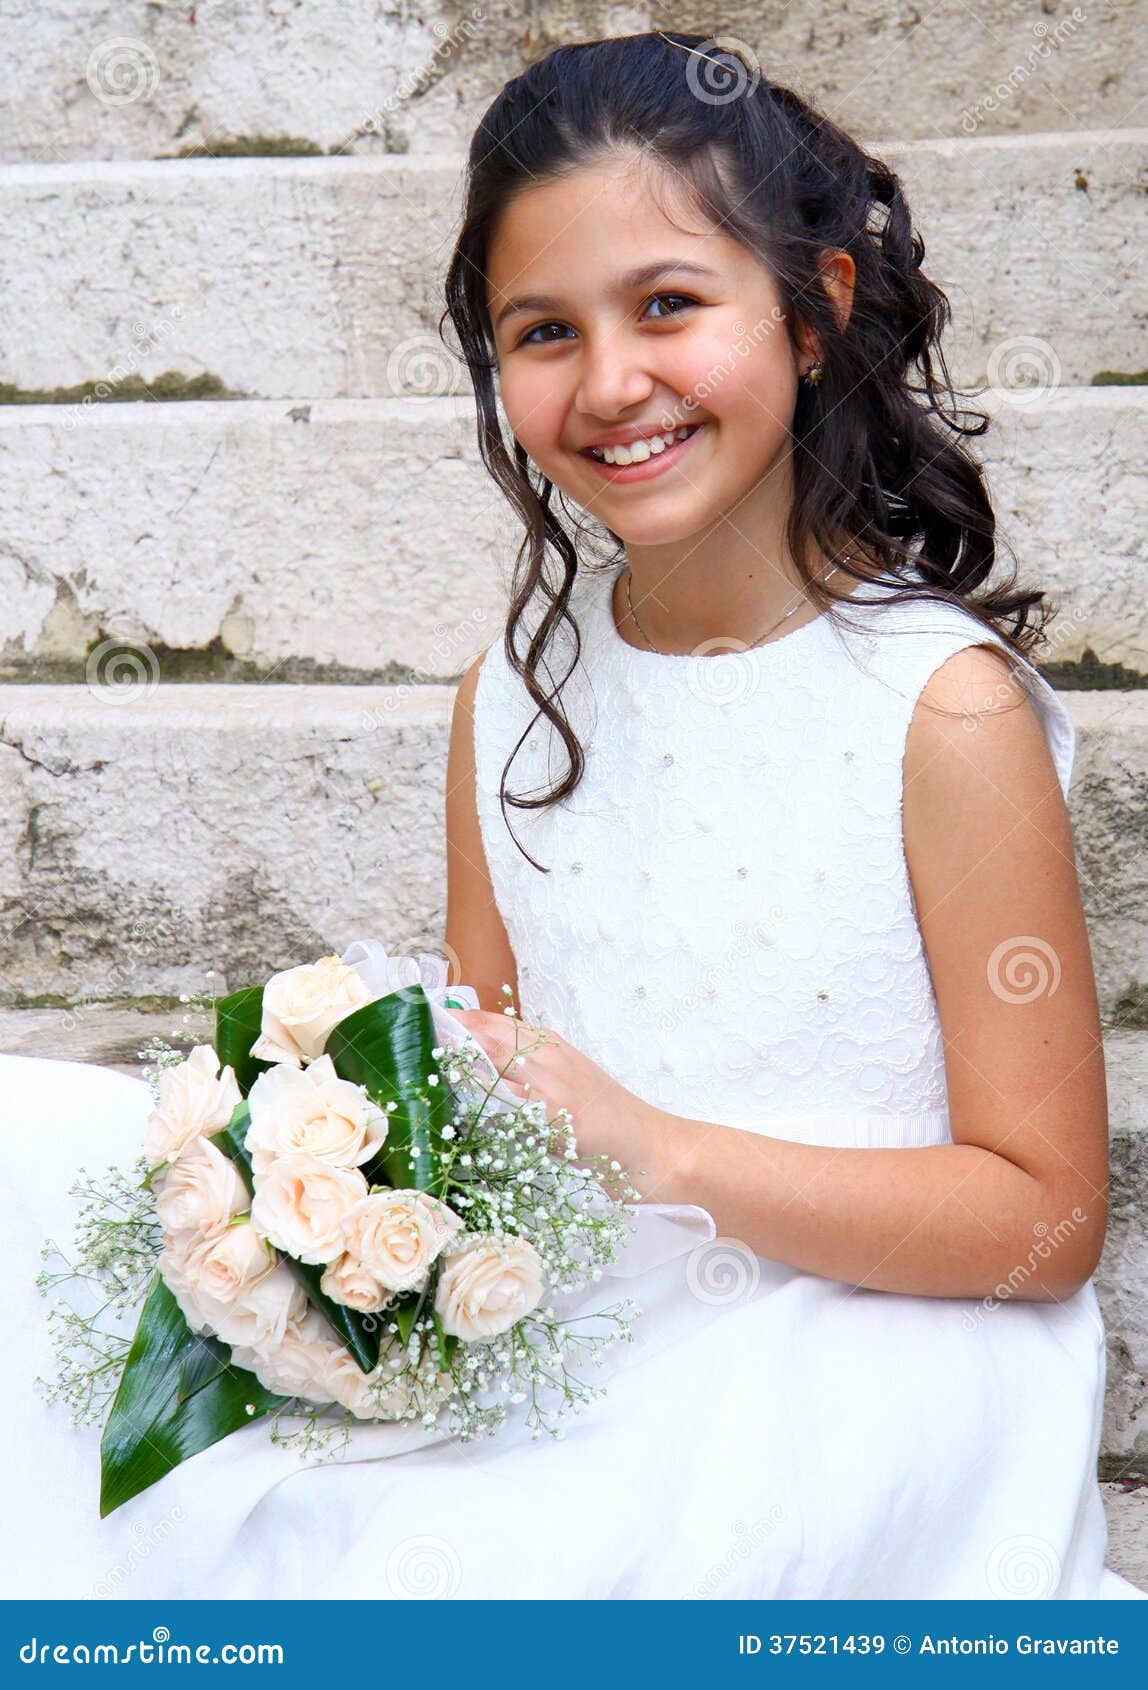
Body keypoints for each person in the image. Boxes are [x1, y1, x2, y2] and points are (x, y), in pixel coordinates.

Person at [3, 30, 1142, 1600]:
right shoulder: (514, 697)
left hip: (856, 1335)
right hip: (576, 1314)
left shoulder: (938, 714)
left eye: (669, 304)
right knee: (31, 1151)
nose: (612, 384)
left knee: (491, 1578)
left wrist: (659, 1149)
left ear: (814, 315)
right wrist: (335, 1211)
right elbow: (499, 1086)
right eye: (545, 331)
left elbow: (1047, 1214)